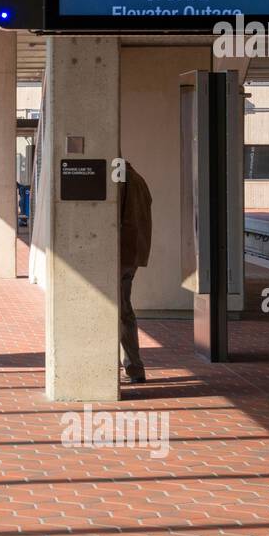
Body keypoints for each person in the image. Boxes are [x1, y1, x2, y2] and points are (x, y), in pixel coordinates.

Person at [120, 161, 153, 384]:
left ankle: (134, 367)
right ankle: (133, 366)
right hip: (132, 255)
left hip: (121, 254)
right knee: (124, 310)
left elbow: (122, 221)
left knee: (120, 312)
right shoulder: (139, 180)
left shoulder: (122, 182)